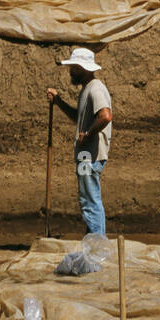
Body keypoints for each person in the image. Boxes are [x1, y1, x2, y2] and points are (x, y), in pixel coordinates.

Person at [48, 47, 112, 236]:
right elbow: (80, 118)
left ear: (82, 68)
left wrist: (89, 135)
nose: (70, 71)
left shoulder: (96, 89)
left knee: (89, 201)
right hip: (86, 155)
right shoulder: (87, 90)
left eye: (73, 67)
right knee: (88, 199)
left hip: (89, 157)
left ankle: (97, 246)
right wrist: (59, 102)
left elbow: (105, 116)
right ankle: (93, 241)